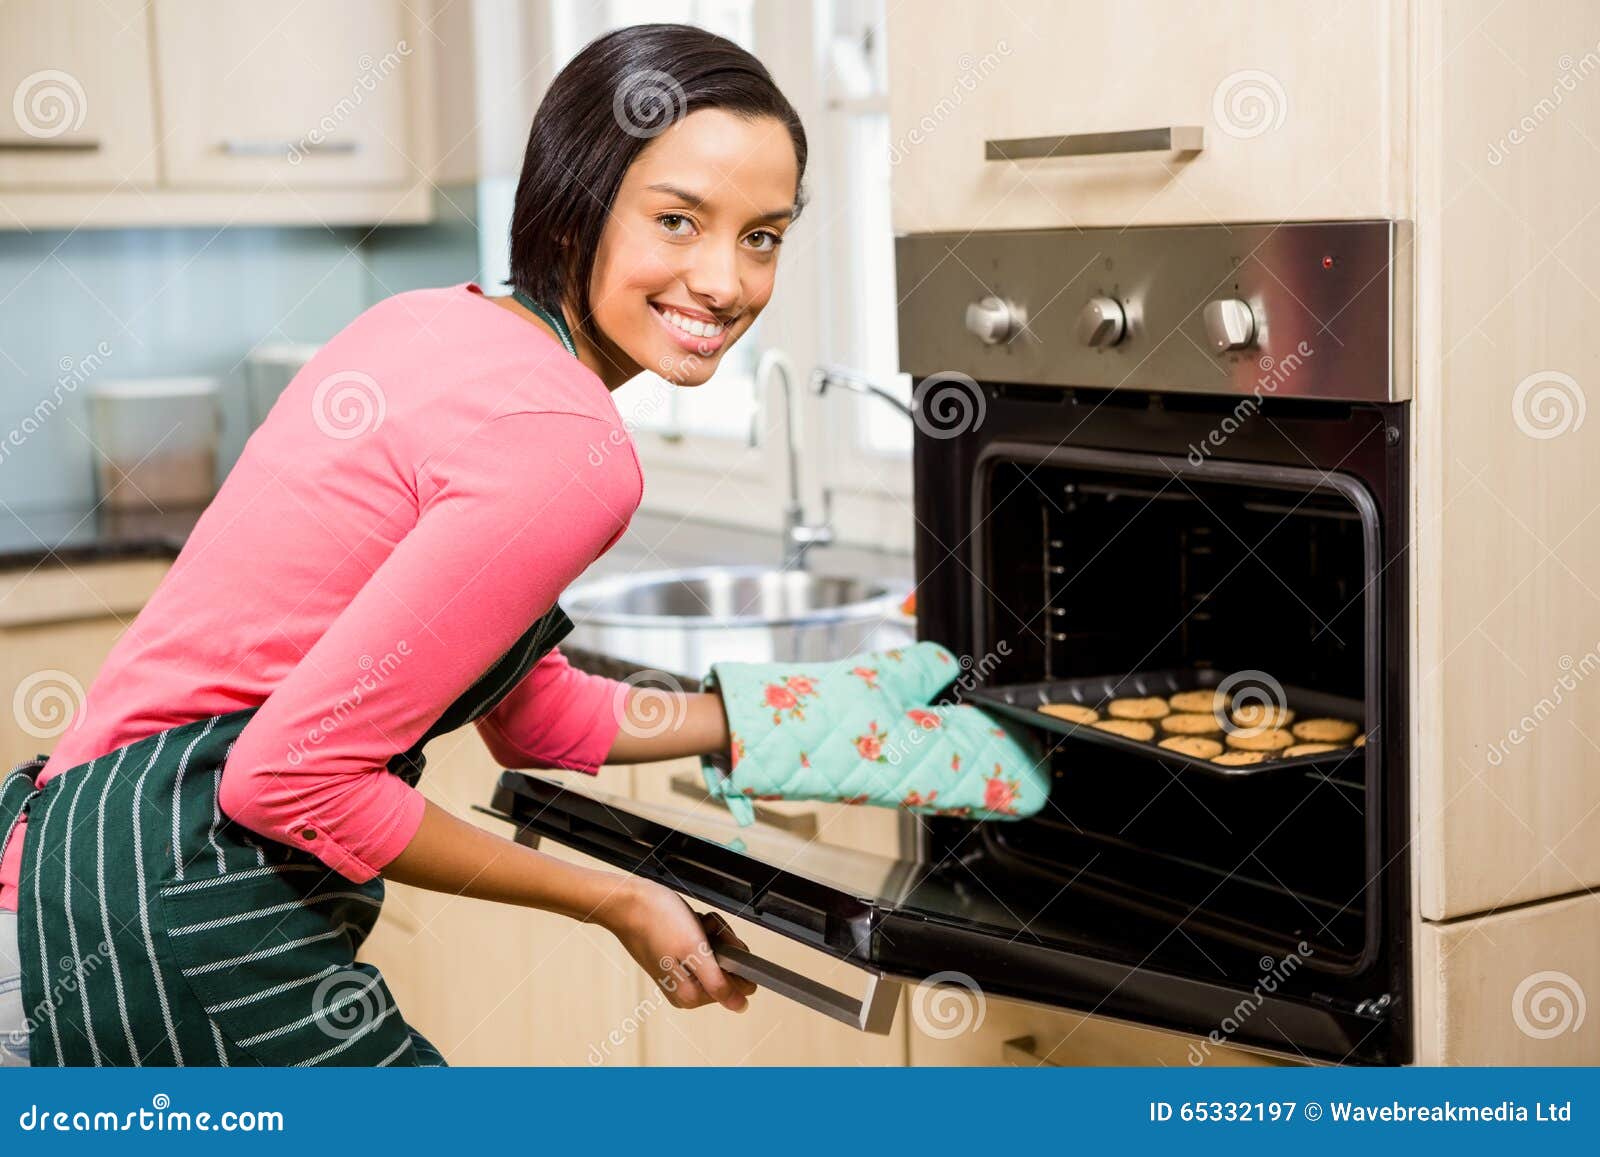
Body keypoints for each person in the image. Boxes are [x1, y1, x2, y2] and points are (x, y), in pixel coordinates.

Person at [0, 22, 806, 1067]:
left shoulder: (431, 323)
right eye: (677, 219)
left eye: (762, 235)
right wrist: (618, 898)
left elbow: (534, 713)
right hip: (153, 920)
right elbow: (289, 777)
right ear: (574, 209)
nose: (725, 281)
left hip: (61, 873)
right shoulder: (569, 448)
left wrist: (784, 725)